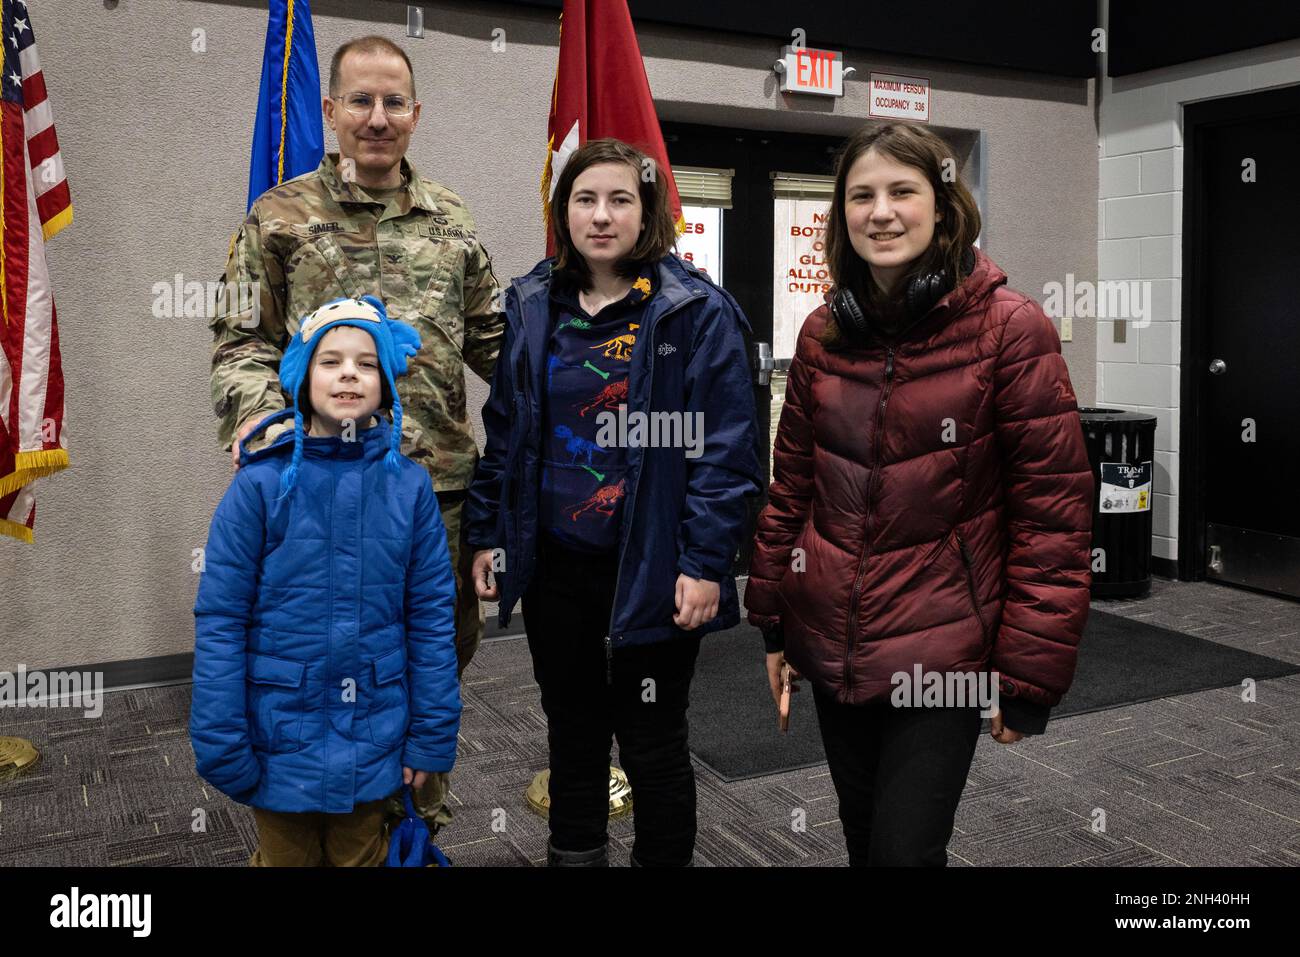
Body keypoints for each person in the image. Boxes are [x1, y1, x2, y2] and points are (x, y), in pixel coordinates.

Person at [745, 122, 1094, 866]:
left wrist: (1030, 673)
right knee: (866, 841)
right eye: (861, 194)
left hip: (944, 649)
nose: (881, 211)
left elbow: (1053, 517)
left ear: (943, 205)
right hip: (834, 640)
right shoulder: (822, 334)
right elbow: (793, 488)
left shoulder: (1012, 330)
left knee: (905, 851)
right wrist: (772, 619)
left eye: (903, 191)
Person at [209, 35, 501, 832]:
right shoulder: (278, 217)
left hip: (435, 498)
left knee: (427, 672)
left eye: (394, 102)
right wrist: (265, 425)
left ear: (415, 115)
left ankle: (414, 835)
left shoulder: (453, 220)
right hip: (317, 498)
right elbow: (240, 342)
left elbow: (501, 347)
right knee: (319, 671)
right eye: (361, 102)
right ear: (332, 111)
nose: (378, 118)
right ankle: (314, 830)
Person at [464, 138, 761, 867]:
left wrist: (705, 561)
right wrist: (487, 534)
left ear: (648, 209)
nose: (601, 215)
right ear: (562, 210)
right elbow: (505, 432)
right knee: (572, 735)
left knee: (654, 742)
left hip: (657, 567)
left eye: (620, 199)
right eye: (584, 199)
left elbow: (724, 454)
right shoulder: (533, 303)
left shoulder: (696, 311)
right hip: (557, 567)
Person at [191, 296, 461, 866]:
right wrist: (221, 738)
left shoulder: (409, 489)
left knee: (361, 855)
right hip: (278, 734)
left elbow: (432, 618)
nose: (348, 374)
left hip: (373, 735)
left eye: (366, 363)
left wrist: (430, 736)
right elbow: (221, 621)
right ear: (301, 377)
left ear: (386, 383)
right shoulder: (259, 488)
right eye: (330, 360)